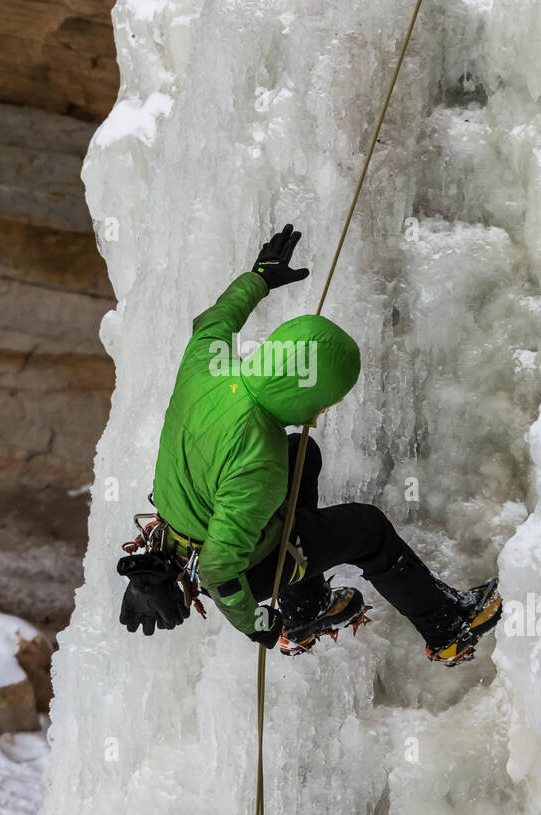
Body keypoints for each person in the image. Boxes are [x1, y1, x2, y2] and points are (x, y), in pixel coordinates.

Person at [120, 224, 501, 665]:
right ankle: (447, 627)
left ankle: (307, 608)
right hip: (245, 569)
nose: (322, 413)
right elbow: (220, 567)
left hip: (177, 535)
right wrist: (256, 624)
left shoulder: (207, 366)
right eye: (325, 401)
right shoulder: (258, 460)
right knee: (369, 530)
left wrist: (260, 276)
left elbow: (214, 321)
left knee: (303, 453)